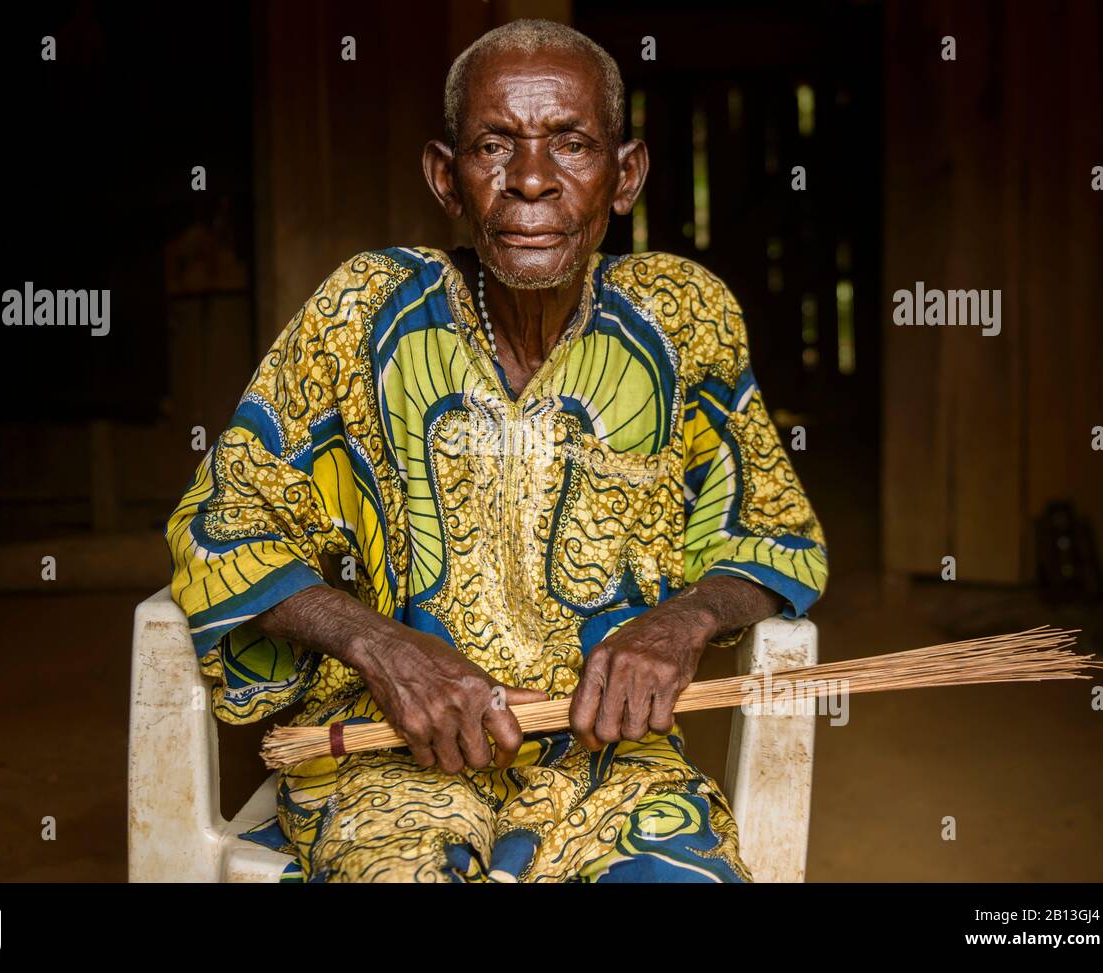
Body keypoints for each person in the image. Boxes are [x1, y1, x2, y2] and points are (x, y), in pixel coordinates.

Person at [166, 19, 826, 882]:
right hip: (387, 764)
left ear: (625, 175)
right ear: (447, 177)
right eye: (493, 146)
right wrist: (381, 646)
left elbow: (769, 531)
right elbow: (223, 522)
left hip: (616, 766)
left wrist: (684, 619)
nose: (530, 180)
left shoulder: (684, 316)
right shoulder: (365, 311)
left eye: (572, 144)